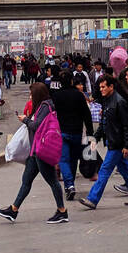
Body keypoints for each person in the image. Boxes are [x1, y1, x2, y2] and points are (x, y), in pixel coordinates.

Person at [0, 82, 68, 224]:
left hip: (41, 150)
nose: (30, 96)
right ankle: (13, 209)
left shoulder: (45, 107)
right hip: (35, 151)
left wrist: (25, 120)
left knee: (53, 181)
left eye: (31, 94)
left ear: (37, 94)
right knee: (26, 181)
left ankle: (62, 212)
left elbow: (37, 126)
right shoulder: (44, 106)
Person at [79, 74, 128, 209]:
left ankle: (93, 199)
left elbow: (126, 126)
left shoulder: (119, 102)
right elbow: (104, 123)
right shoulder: (107, 100)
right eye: (100, 87)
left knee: (104, 171)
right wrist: (95, 138)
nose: (101, 89)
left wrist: (127, 145)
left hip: (117, 143)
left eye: (104, 87)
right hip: (112, 141)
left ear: (111, 87)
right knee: (126, 170)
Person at [52, 70, 93, 199]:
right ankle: (71, 184)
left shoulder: (56, 96)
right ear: (71, 81)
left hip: (62, 132)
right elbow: (87, 114)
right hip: (77, 132)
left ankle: (69, 185)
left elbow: (53, 115)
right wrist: (90, 132)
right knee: (73, 159)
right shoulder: (79, 95)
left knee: (63, 159)